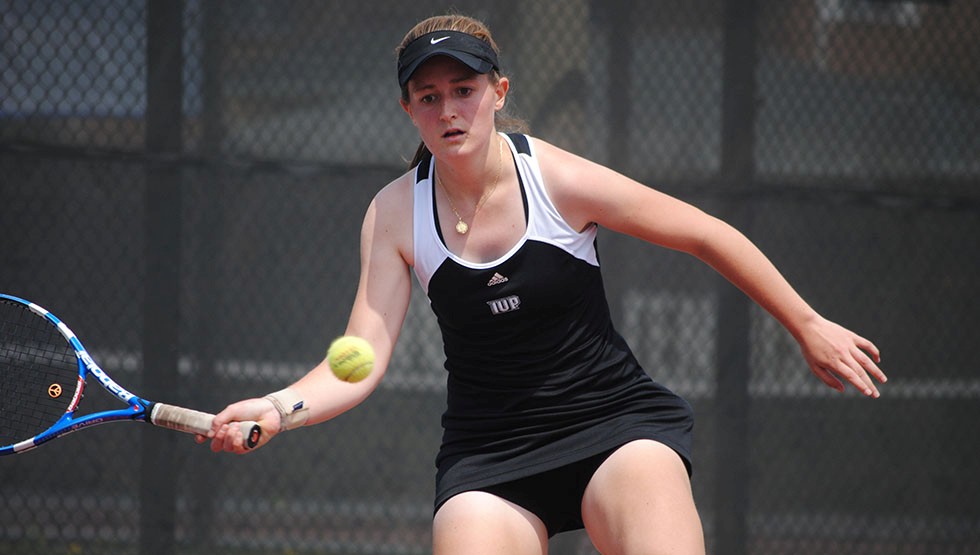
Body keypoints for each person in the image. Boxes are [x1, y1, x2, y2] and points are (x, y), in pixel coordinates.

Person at [202, 13, 887, 554]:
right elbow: (361, 357)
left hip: (614, 426)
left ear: (498, 92)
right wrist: (277, 406)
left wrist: (806, 323)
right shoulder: (393, 213)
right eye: (429, 96)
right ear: (408, 109)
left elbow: (706, 233)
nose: (449, 110)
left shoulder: (557, 178)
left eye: (465, 90)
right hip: (489, 456)